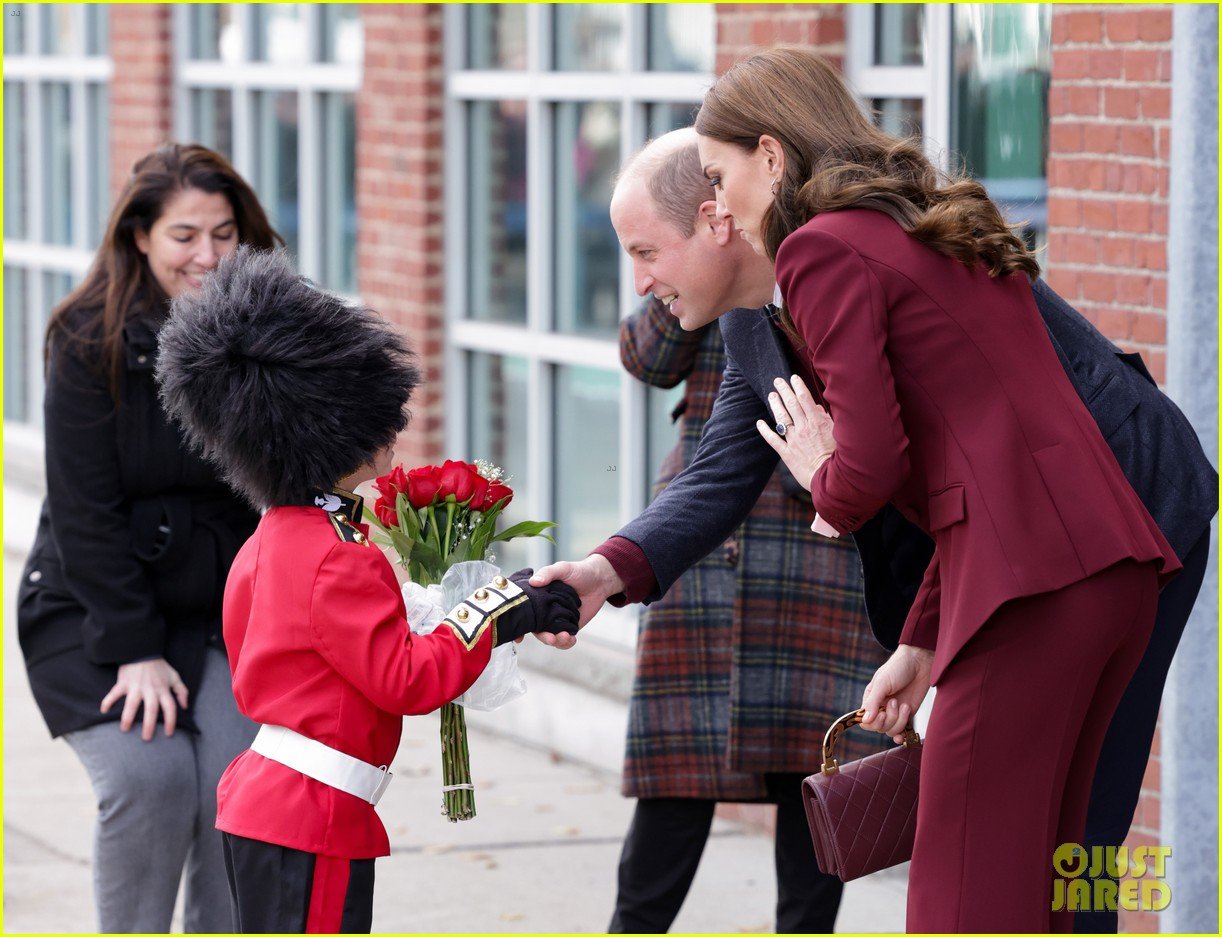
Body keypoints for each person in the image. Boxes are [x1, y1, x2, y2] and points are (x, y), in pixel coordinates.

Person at [692, 48, 1180, 931]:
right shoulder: (921, 225)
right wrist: (920, 642)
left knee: (963, 898)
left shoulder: (818, 247)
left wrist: (821, 478)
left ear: (771, 155)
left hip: (1033, 596)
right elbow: (985, 468)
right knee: (1045, 892)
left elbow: (872, 462)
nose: (718, 206)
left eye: (719, 177)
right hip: (1112, 574)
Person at [155, 246, 581, 933]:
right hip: (311, 812)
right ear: (330, 432)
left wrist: (500, 598)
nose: (394, 431)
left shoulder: (273, 539)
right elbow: (408, 677)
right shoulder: (334, 555)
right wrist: (502, 607)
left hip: (271, 800)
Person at [605, 130, 887, 934]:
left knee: (816, 778)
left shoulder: (808, 273)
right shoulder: (697, 279)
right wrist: (686, 271)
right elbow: (645, 356)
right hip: (700, 543)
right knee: (673, 779)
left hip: (815, 538)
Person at [16, 143, 281, 933]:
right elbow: (82, 513)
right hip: (97, 608)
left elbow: (294, 486)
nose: (208, 255)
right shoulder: (87, 339)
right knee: (151, 777)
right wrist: (134, 647)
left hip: (216, 611)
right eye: (184, 235)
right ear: (140, 237)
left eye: (225, 233)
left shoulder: (265, 335)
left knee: (241, 780)